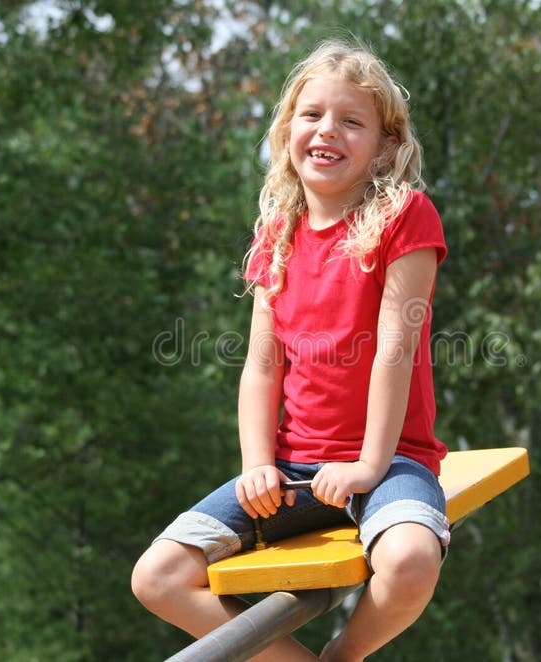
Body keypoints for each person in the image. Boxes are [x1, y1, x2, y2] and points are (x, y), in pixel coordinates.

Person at [131, 39, 449, 661]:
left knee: (410, 559)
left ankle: (343, 654)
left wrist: (366, 466)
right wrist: (257, 464)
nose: (327, 130)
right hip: (291, 470)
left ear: (386, 144)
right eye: (312, 115)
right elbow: (262, 366)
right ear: (286, 131)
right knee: (157, 577)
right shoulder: (278, 231)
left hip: (387, 464)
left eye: (351, 120)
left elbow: (394, 348)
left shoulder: (403, 218)